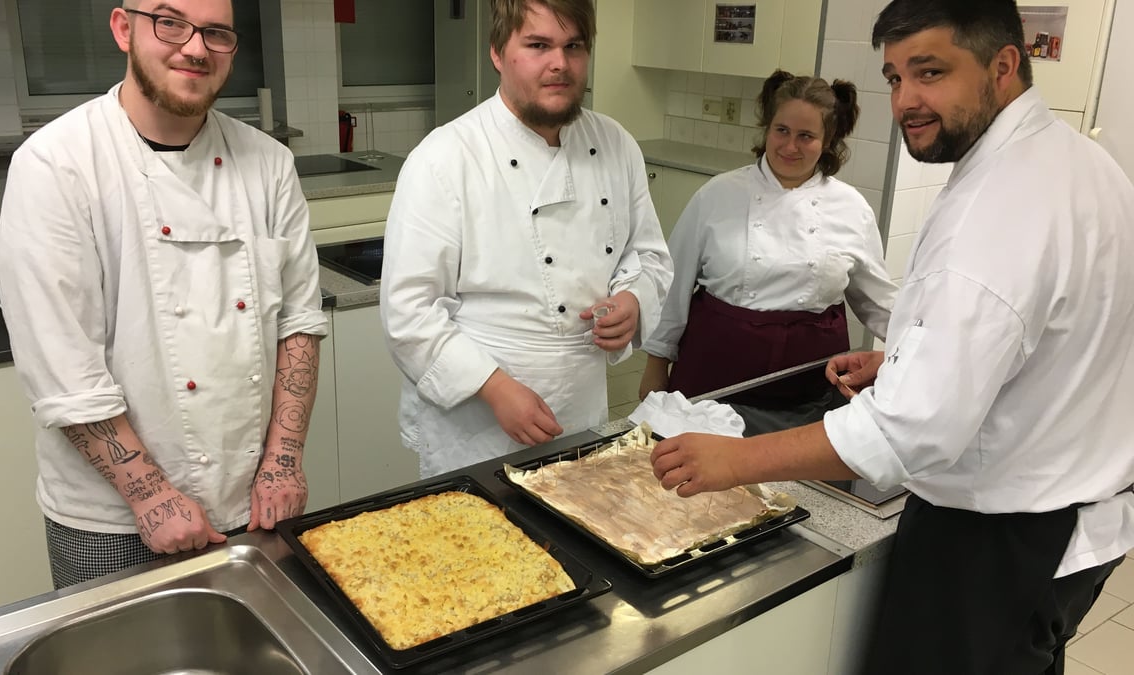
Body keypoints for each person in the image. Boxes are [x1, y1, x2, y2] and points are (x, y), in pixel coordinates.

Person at [648, 1, 1134, 672]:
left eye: (930, 71)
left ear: (1003, 65)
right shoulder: (1083, 162)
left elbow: (908, 432)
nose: (906, 99)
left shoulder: (998, 209)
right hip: (1078, 516)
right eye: (894, 77)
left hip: (1002, 532)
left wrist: (734, 460)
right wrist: (905, 358)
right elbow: (1051, 333)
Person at [0, 0, 328, 588]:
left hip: (255, 500)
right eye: (170, 23)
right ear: (124, 28)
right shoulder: (56, 164)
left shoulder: (270, 164)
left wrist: (283, 463)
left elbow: (298, 323)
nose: (195, 48)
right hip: (114, 522)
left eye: (216, 33)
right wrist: (148, 494)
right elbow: (63, 366)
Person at [380, 0, 672, 478]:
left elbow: (648, 256)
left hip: (580, 410)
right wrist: (495, 388)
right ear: (497, 52)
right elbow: (407, 312)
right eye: (538, 45)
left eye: (573, 46)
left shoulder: (617, 145)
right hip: (474, 424)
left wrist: (633, 300)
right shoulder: (445, 159)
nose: (559, 63)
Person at [639, 71, 895, 406]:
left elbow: (876, 300)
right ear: (767, 129)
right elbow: (673, 284)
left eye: (806, 136)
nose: (790, 146)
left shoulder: (851, 208)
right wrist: (656, 364)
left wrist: (916, 353)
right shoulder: (719, 194)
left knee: (796, 458)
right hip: (718, 365)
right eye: (782, 130)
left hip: (811, 376)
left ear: (828, 141)